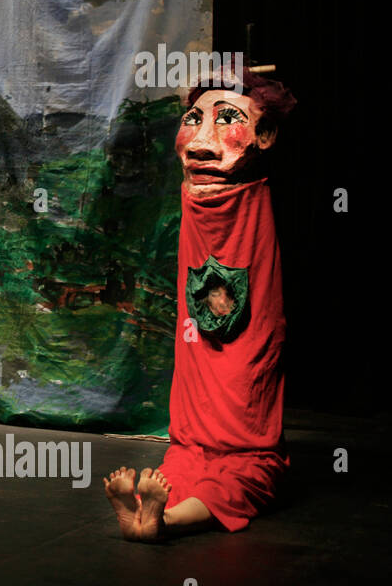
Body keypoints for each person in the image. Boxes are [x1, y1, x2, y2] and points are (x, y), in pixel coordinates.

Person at [105, 66, 296, 540]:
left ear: (265, 134)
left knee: (240, 434)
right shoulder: (194, 199)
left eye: (227, 119)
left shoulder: (250, 199)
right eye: (192, 119)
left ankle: (159, 516)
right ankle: (161, 515)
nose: (200, 142)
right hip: (196, 423)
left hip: (245, 379)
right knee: (199, 456)